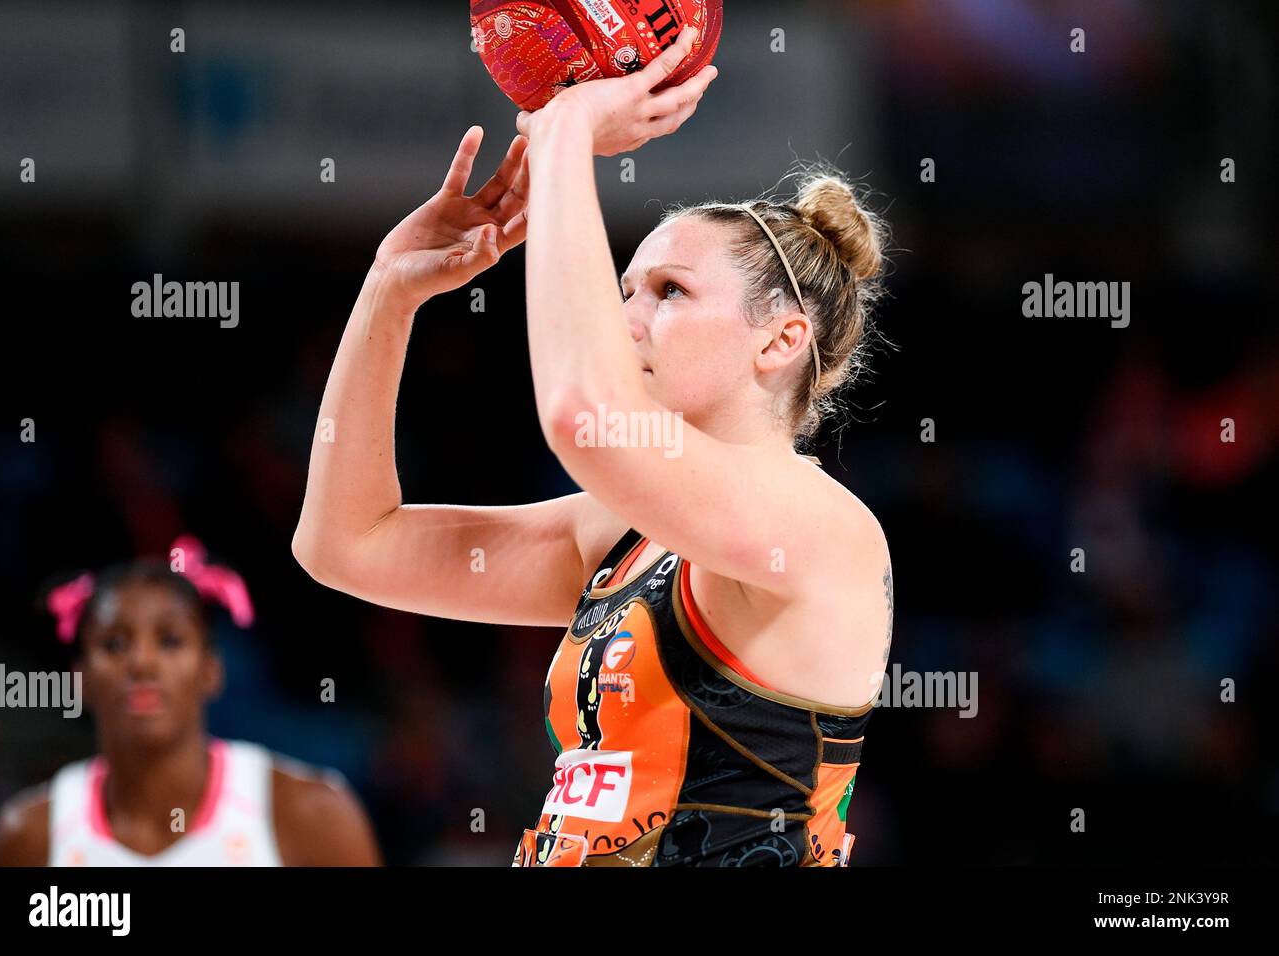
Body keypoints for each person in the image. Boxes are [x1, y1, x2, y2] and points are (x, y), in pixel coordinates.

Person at [293, 25, 893, 866]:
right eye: (623, 290)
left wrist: (566, 128)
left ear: (779, 341)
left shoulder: (822, 528)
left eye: (670, 291)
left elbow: (584, 417)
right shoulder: (616, 536)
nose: (625, 316)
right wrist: (388, 297)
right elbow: (345, 544)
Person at [0, 536, 381, 866]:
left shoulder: (310, 814)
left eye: (170, 640)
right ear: (81, 678)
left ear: (211, 671)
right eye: (114, 644)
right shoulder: (30, 835)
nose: (142, 663)